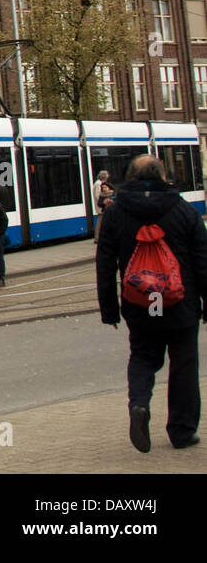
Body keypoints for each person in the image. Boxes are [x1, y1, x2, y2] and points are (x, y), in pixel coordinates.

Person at [96, 154, 207, 452]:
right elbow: (202, 260)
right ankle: (182, 431)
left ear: (130, 177)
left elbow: (105, 262)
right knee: (184, 364)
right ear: (163, 175)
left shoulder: (116, 213)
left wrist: (109, 309)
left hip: (140, 303)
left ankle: (140, 405)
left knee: (143, 356)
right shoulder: (184, 210)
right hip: (179, 303)